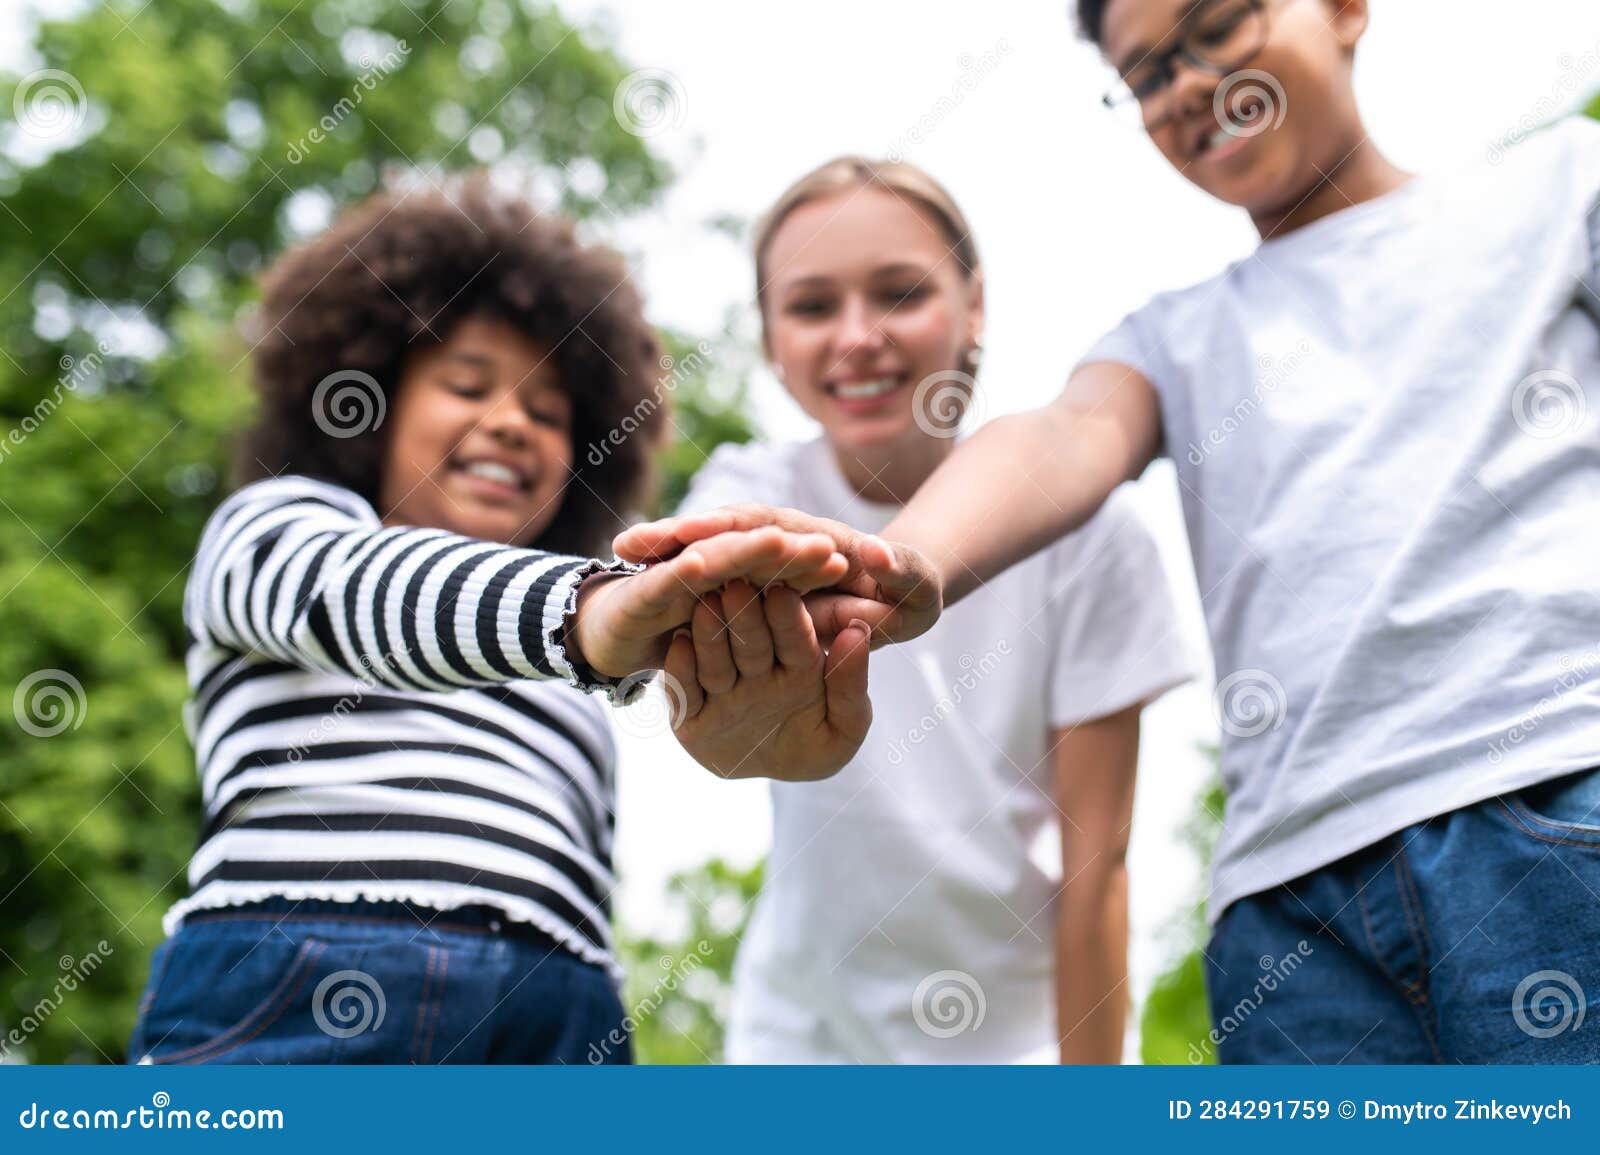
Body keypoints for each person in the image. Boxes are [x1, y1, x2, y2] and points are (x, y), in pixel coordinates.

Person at [620, 0, 1600, 1063]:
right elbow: (1069, 432)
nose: (1185, 86)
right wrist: (915, 562)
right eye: (1145, 74)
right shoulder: (1169, 338)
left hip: (1552, 797)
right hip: (1292, 902)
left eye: (1218, 28)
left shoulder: (1555, 190)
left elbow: (1103, 864)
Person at [127, 176, 873, 1065]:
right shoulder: (274, 525)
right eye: (467, 384)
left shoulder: (580, 683)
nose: (511, 423)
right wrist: (588, 614)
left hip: (560, 1008)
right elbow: (360, 589)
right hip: (301, 970)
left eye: (548, 412)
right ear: (368, 405)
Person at [667, 157, 1191, 1063]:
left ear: (973, 307)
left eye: (900, 293)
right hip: (796, 1040)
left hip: (1011, 1050)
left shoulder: (1091, 539)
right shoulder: (748, 493)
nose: (858, 336)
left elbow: (1096, 865)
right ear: (769, 339)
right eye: (812, 306)